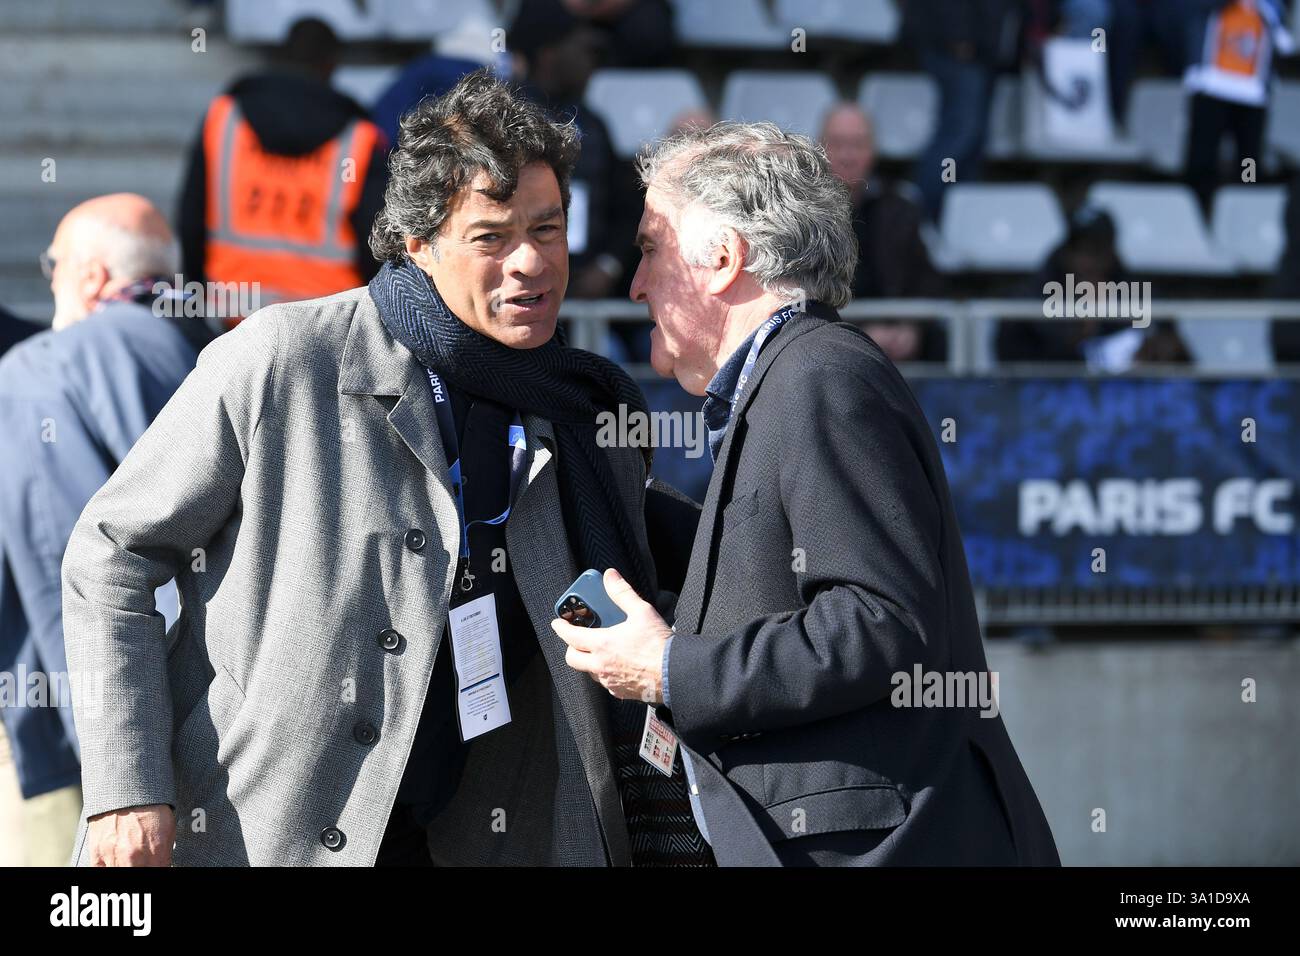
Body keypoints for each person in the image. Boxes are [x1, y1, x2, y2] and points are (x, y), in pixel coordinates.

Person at [63, 71, 701, 867]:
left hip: (480, 835)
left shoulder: (578, 408)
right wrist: (127, 783)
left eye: (547, 229)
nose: (530, 263)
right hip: (254, 830)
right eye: (491, 237)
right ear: (417, 242)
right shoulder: (284, 358)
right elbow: (109, 555)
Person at [551, 122, 1061, 866]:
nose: (634, 283)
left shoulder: (820, 375)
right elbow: (776, 578)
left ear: (722, 260)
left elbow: (877, 622)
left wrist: (667, 669)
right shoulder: (796, 374)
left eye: (650, 248)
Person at [0, 194, 204, 866]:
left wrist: (118, 776)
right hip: (223, 728)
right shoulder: (229, 350)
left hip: (105, 755)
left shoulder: (41, 370)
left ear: (88, 276)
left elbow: (64, 574)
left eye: (53, 264)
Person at [176, 17, 388, 321]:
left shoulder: (226, 118)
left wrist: (193, 302)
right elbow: (377, 239)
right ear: (330, 67)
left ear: (280, 58)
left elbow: (191, 218)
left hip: (236, 313)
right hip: (327, 318)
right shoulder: (358, 137)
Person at [820, 102, 946, 363]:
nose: (847, 155)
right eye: (837, 143)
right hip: (827, 345)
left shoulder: (902, 207)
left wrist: (912, 328)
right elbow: (798, 296)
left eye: (858, 144)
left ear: (873, 150)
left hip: (900, 342)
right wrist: (860, 332)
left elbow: (929, 282)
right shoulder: (802, 213)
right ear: (819, 149)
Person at [1183, 0, 1294, 209]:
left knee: (1249, 161)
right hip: (1212, 87)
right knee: (1202, 158)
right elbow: (1192, 13)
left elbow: (1285, 43)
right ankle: (1196, 210)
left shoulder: (1271, 7)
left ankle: (1247, 207)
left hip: (1252, 95)